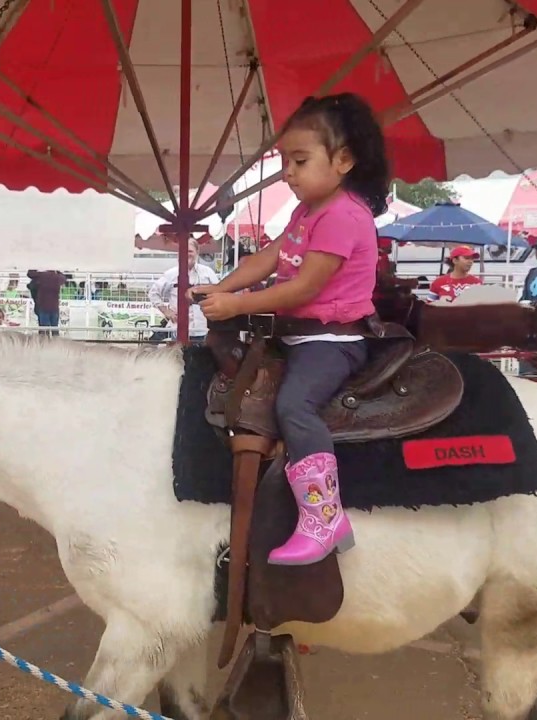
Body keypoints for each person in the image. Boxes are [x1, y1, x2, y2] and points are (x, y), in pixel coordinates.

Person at [191, 93, 388, 566]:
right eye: (285, 161)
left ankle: (324, 517)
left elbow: (303, 287)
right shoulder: (306, 213)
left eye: (299, 161)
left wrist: (236, 303)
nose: (288, 173)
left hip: (331, 340)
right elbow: (269, 257)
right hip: (296, 335)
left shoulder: (343, 215)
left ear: (343, 160)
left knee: (294, 406)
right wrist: (220, 285)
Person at [148, 236, 221, 343]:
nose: (187, 254)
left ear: (197, 252)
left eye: (190, 251)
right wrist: (167, 312)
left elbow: (219, 292)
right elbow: (153, 293)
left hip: (202, 329)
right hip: (178, 329)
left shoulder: (207, 272)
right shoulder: (171, 274)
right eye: (184, 251)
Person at [27, 269, 67, 335]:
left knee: (44, 330)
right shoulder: (57, 277)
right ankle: (55, 342)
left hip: (42, 306)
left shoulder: (40, 277)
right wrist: (59, 272)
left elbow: (30, 276)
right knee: (55, 329)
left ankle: (44, 343)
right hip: (54, 307)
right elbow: (63, 278)